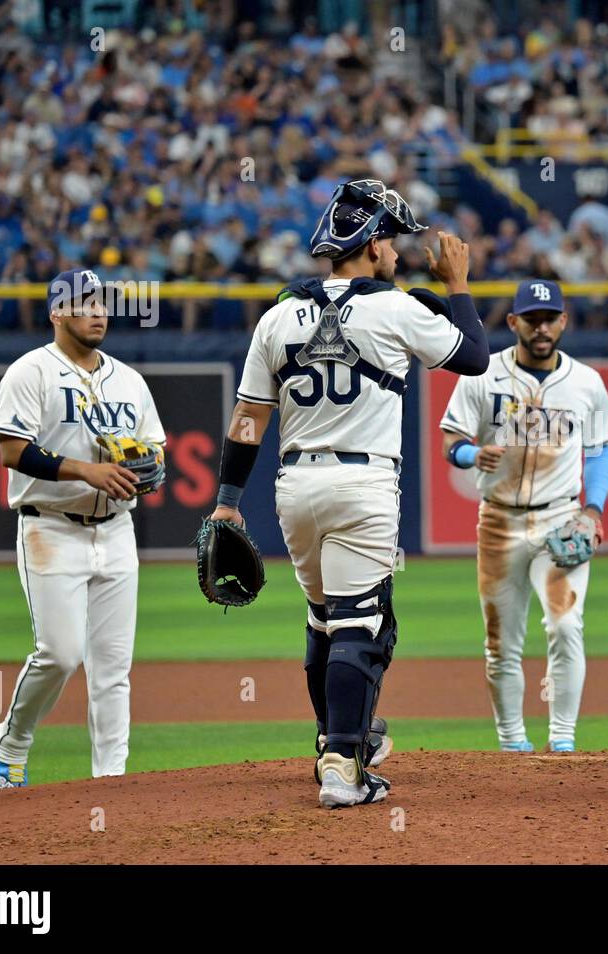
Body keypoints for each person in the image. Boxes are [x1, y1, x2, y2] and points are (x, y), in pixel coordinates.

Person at [206, 180, 489, 808]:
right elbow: (473, 358)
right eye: (389, 239)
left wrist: (228, 498)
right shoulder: (393, 307)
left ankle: (341, 737)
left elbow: (248, 420)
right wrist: (459, 286)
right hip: (362, 482)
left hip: (294, 487)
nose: (397, 251)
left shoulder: (279, 315)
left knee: (326, 619)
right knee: (363, 623)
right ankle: (342, 764)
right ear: (370, 244)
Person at [0, 269, 166, 788]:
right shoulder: (30, 372)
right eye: (84, 302)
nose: (97, 310)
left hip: (115, 531)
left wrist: (148, 468)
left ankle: (111, 779)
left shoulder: (129, 379)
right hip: (50, 529)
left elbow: (155, 449)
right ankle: (12, 740)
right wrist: (85, 469)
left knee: (113, 670)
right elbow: (11, 451)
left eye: (102, 302)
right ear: (57, 313)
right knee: (60, 655)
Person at [440, 278, 608, 753]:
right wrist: (469, 456)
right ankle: (512, 745)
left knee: (564, 626)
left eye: (549, 318)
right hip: (498, 522)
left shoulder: (586, 382)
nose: (541, 328)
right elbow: (450, 442)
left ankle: (562, 740)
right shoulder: (481, 374)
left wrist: (594, 510)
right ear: (514, 321)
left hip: (561, 518)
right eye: (531, 319)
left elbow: (600, 452)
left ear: (563, 321)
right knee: (501, 644)